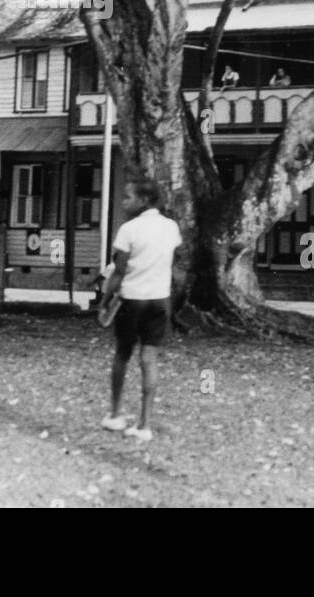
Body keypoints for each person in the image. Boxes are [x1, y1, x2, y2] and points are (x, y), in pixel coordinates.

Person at [100, 177, 182, 442]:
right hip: (160, 299)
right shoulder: (171, 227)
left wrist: (104, 300)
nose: (124, 202)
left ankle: (115, 414)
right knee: (149, 359)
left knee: (122, 354)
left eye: (128, 197)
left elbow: (119, 271)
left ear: (144, 200)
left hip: (132, 299)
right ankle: (144, 423)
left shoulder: (128, 229)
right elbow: (174, 259)